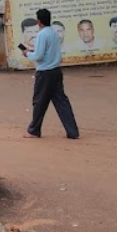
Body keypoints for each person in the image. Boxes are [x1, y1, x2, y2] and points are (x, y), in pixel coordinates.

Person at [24, 8, 79, 139]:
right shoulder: (53, 33)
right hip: (56, 71)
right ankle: (72, 131)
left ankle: (34, 130)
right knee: (61, 101)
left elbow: (38, 55)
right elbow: (48, 51)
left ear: (38, 21)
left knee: (39, 102)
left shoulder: (42, 34)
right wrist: (33, 51)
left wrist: (27, 53)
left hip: (45, 73)